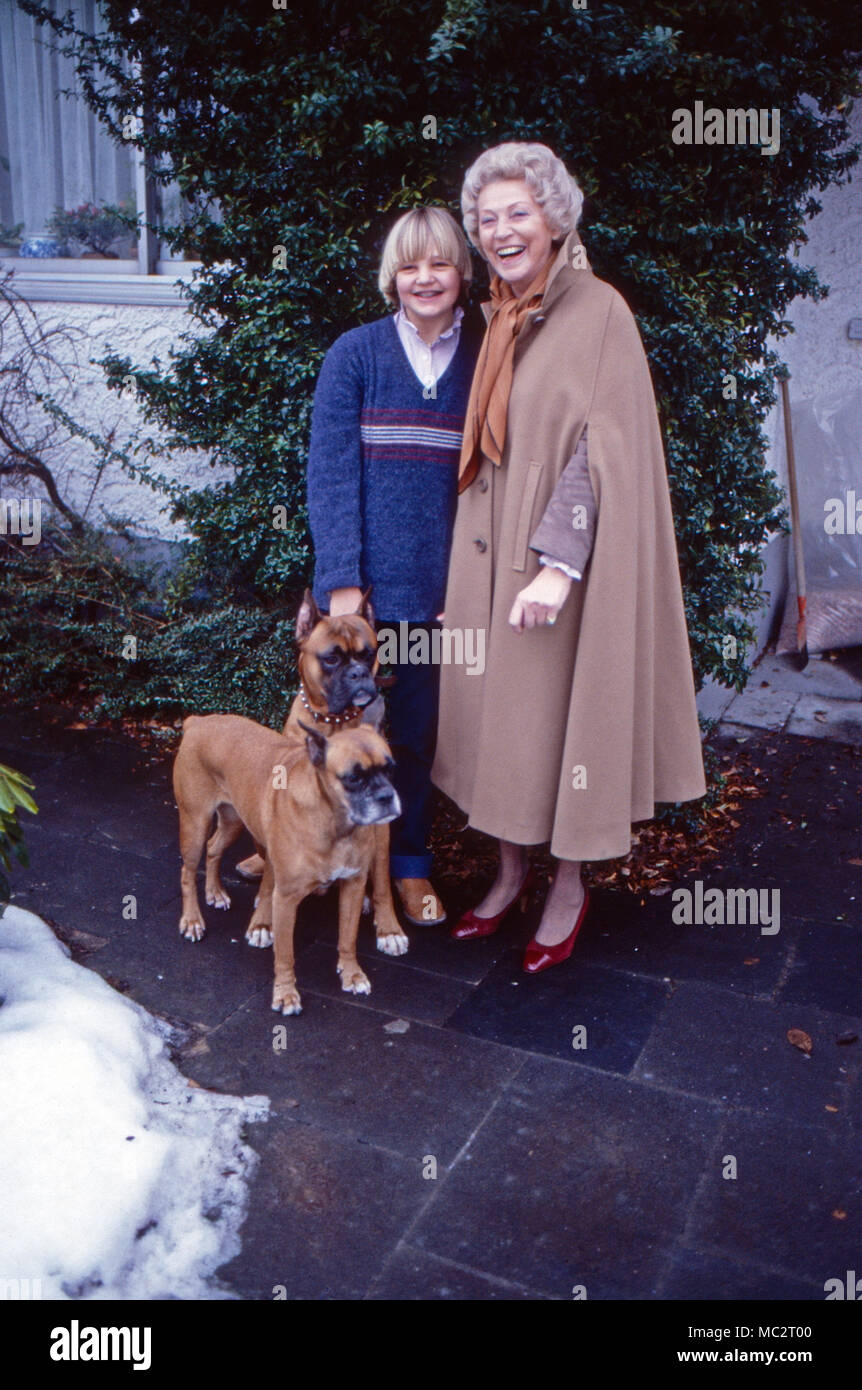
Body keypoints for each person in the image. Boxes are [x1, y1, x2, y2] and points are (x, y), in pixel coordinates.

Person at [432, 142, 706, 971]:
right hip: (485, 563)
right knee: (497, 732)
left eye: (519, 213)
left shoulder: (600, 313)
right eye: (488, 219)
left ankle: (569, 885)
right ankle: (509, 873)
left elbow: (605, 449)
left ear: (555, 218)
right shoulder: (499, 311)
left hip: (555, 571)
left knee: (558, 723)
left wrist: (558, 562)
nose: (503, 230)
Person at [307, 206, 482, 926]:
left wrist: (470, 584)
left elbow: (502, 476)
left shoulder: (489, 355)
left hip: (444, 596)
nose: (425, 278)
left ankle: (407, 868)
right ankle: (306, 849)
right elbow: (331, 472)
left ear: (462, 271)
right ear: (392, 278)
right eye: (409, 265)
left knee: (412, 737)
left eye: (439, 263)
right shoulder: (356, 353)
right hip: (367, 602)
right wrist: (344, 587)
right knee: (333, 730)